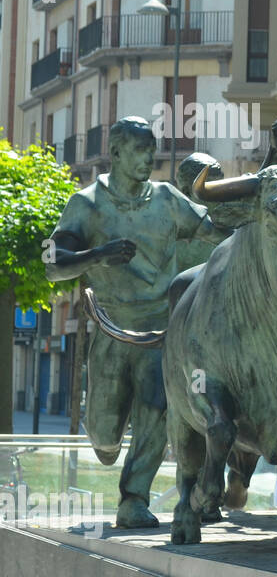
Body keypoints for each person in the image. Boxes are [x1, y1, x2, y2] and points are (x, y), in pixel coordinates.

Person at [47, 117, 227, 527]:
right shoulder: (88, 203)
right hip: (111, 329)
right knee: (105, 433)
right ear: (116, 153)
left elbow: (215, 231)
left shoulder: (166, 199)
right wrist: (96, 255)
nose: (150, 158)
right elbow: (52, 264)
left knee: (156, 409)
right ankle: (107, 444)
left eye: (153, 149)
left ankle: (133, 500)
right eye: (141, 150)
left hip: (159, 332)